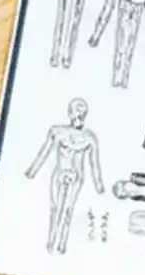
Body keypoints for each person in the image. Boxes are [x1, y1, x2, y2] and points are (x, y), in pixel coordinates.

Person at [25, 98, 105, 255]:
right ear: (69, 113)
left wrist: (99, 185)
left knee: (68, 209)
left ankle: (62, 244)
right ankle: (50, 242)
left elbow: (94, 163)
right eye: (76, 112)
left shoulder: (89, 138)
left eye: (82, 114)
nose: (79, 117)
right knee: (55, 208)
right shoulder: (58, 132)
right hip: (60, 172)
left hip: (77, 176)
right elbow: (44, 152)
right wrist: (32, 171)